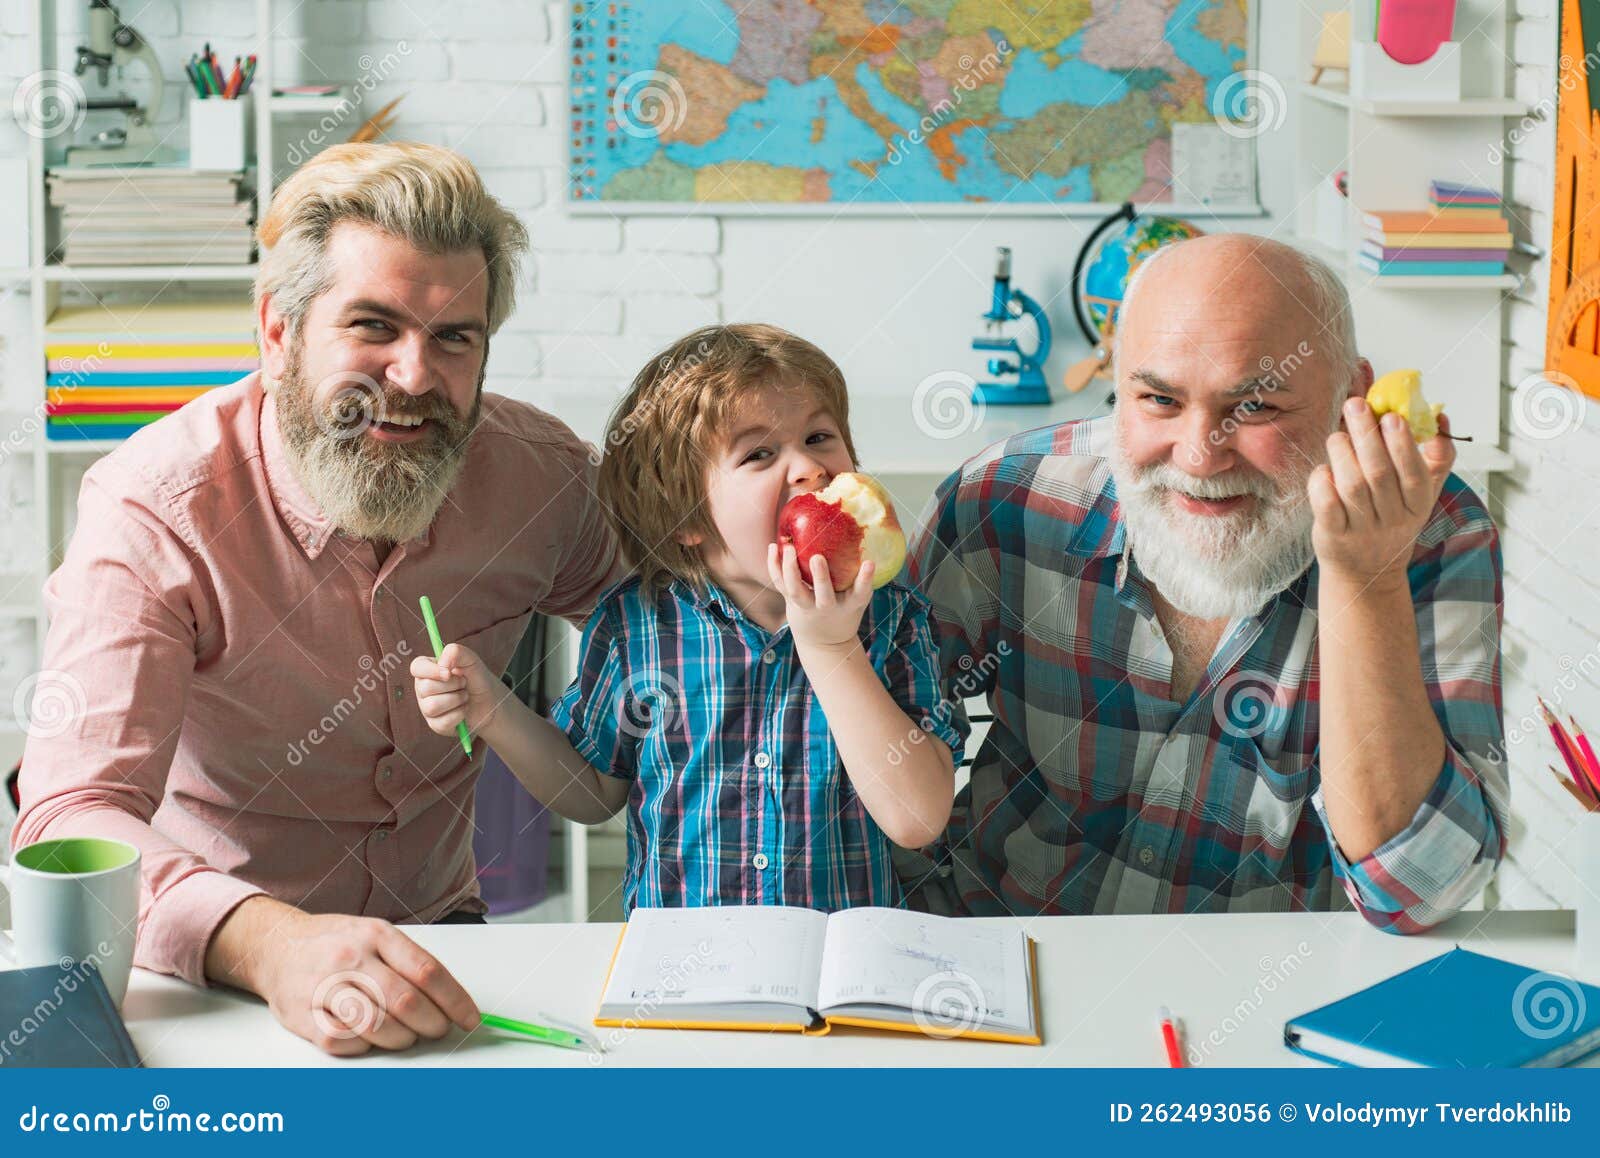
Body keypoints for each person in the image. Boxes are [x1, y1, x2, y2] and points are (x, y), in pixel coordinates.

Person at [14, 142, 624, 1055]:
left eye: (455, 337)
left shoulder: (543, 480)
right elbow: (73, 814)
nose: (415, 378)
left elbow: (674, 632)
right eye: (374, 326)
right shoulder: (151, 508)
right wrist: (269, 942)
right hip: (209, 970)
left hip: (440, 941)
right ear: (277, 331)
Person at [899, 234, 1507, 931]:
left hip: (1268, 1006)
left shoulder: (1433, 532)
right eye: (1158, 399)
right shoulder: (1005, 498)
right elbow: (864, 778)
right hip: (1004, 962)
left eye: (1254, 408)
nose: (1198, 457)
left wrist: (1365, 577)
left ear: (1353, 397)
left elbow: (1418, 894)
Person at [413, 324, 966, 912]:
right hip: (681, 981)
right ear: (687, 518)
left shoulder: (894, 619)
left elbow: (918, 819)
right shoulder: (637, 627)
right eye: (759, 453)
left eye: (819, 436)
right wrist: (494, 711)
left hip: (838, 975)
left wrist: (833, 651)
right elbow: (594, 791)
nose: (808, 467)